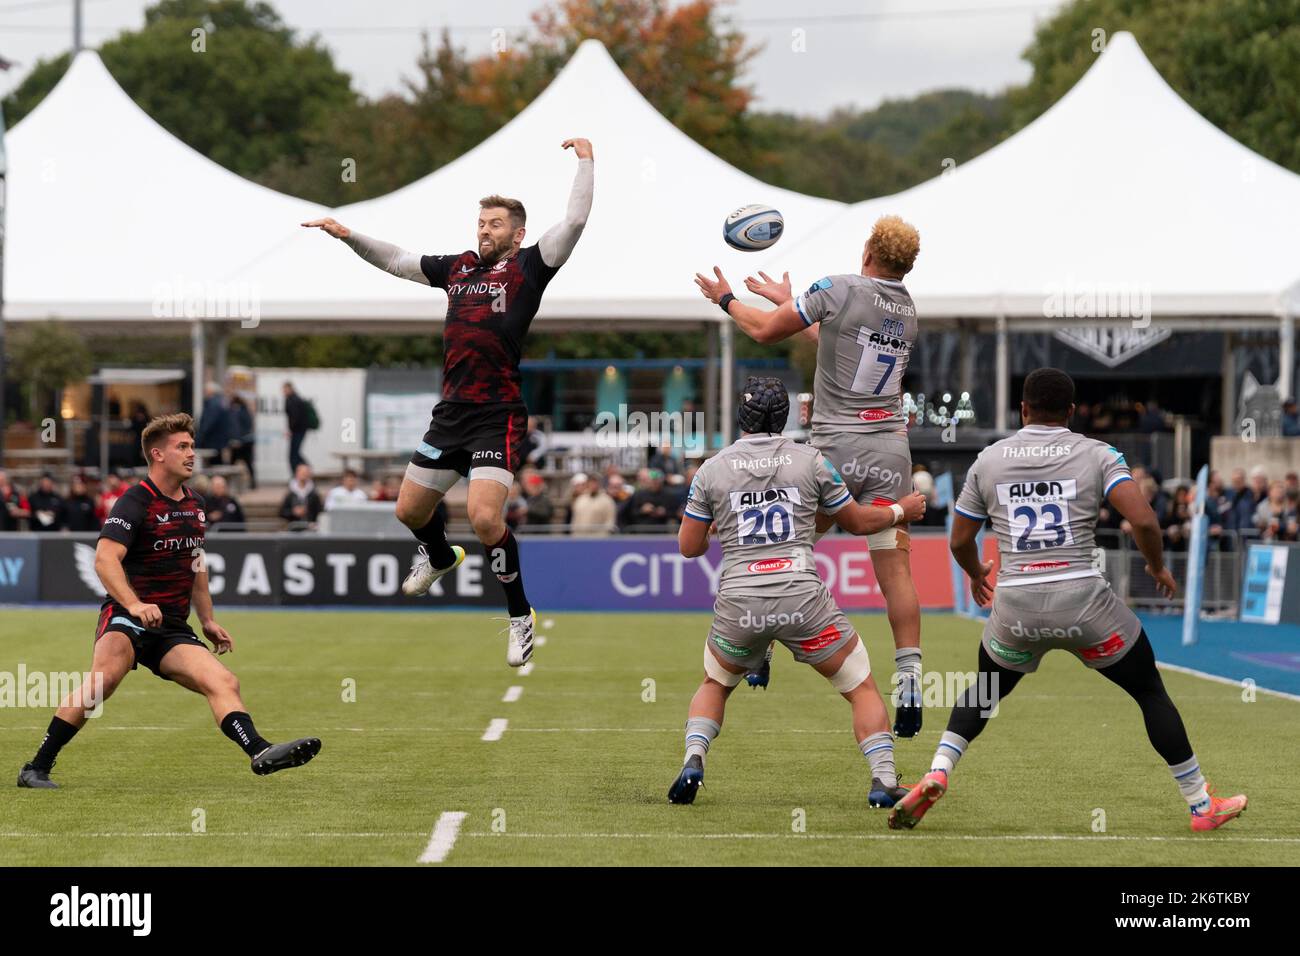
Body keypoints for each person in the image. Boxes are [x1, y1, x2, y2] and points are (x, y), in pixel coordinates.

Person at [889, 368, 1246, 832]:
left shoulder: (990, 459)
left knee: (985, 690)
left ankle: (937, 769)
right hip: (1084, 600)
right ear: (1073, 412)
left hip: (1016, 602)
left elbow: (960, 539)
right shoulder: (1097, 453)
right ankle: (1200, 805)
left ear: (1023, 409)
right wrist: (1156, 566)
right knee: (1149, 692)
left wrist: (977, 573)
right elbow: (1143, 521)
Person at [303, 137, 594, 667]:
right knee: (408, 510)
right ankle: (439, 555)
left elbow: (574, 221)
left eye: (495, 224)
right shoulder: (457, 268)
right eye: (481, 222)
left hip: (497, 416)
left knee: (485, 518)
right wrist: (349, 237)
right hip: (451, 415)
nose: (484, 230)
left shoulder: (531, 267)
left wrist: (586, 161)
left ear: (518, 233)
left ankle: (519, 615)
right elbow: (395, 259)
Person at [695, 214, 927, 737]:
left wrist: (727, 298)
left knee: (782, 546)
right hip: (890, 448)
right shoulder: (907, 308)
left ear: (868, 247)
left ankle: (758, 646)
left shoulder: (838, 286)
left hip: (835, 448)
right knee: (896, 573)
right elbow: (838, 339)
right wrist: (788, 300)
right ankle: (910, 673)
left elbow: (762, 333)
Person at [17, 414, 320, 789]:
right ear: (158, 454)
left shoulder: (195, 503)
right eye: (183, 447)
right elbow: (104, 559)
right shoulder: (135, 501)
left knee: (224, 681)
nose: (192, 453)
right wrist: (134, 605)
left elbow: (196, 563)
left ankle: (259, 751)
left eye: (192, 446)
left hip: (171, 627)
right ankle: (36, 767)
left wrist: (207, 620)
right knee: (101, 684)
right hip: (127, 618)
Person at [668, 377, 926, 807]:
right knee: (860, 686)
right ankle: (882, 780)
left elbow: (688, 548)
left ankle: (694, 759)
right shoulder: (813, 460)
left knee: (715, 682)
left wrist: (719, 527)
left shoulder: (712, 468)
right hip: (802, 600)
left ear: (740, 416)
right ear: (786, 417)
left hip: (741, 602)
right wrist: (903, 508)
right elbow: (859, 522)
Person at [279, 464, 323, 530]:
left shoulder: (314, 494)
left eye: (306, 473)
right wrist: (293, 512)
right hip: (293, 529)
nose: (304, 475)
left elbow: (320, 511)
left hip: (310, 529)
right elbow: (282, 512)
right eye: (302, 473)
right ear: (297, 474)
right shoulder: (290, 494)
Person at [195, 383, 232, 460]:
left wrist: (199, 439)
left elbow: (208, 423)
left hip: (212, 441)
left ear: (211, 391)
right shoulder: (221, 402)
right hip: (219, 441)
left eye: (206, 391)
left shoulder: (213, 404)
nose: (204, 393)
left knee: (214, 462)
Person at [227, 394, 256, 488]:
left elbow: (236, 427)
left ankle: (228, 484)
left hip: (240, 442)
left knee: (232, 464)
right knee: (249, 463)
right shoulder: (246, 410)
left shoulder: (236, 411)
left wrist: (237, 439)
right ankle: (253, 483)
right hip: (248, 440)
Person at [282, 382, 310, 473]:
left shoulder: (293, 400)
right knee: (295, 454)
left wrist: (290, 430)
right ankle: (304, 471)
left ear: (290, 389)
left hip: (298, 431)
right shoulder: (293, 399)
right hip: (298, 430)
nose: (284, 392)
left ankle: (301, 473)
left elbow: (295, 417)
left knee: (293, 455)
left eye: (285, 389)